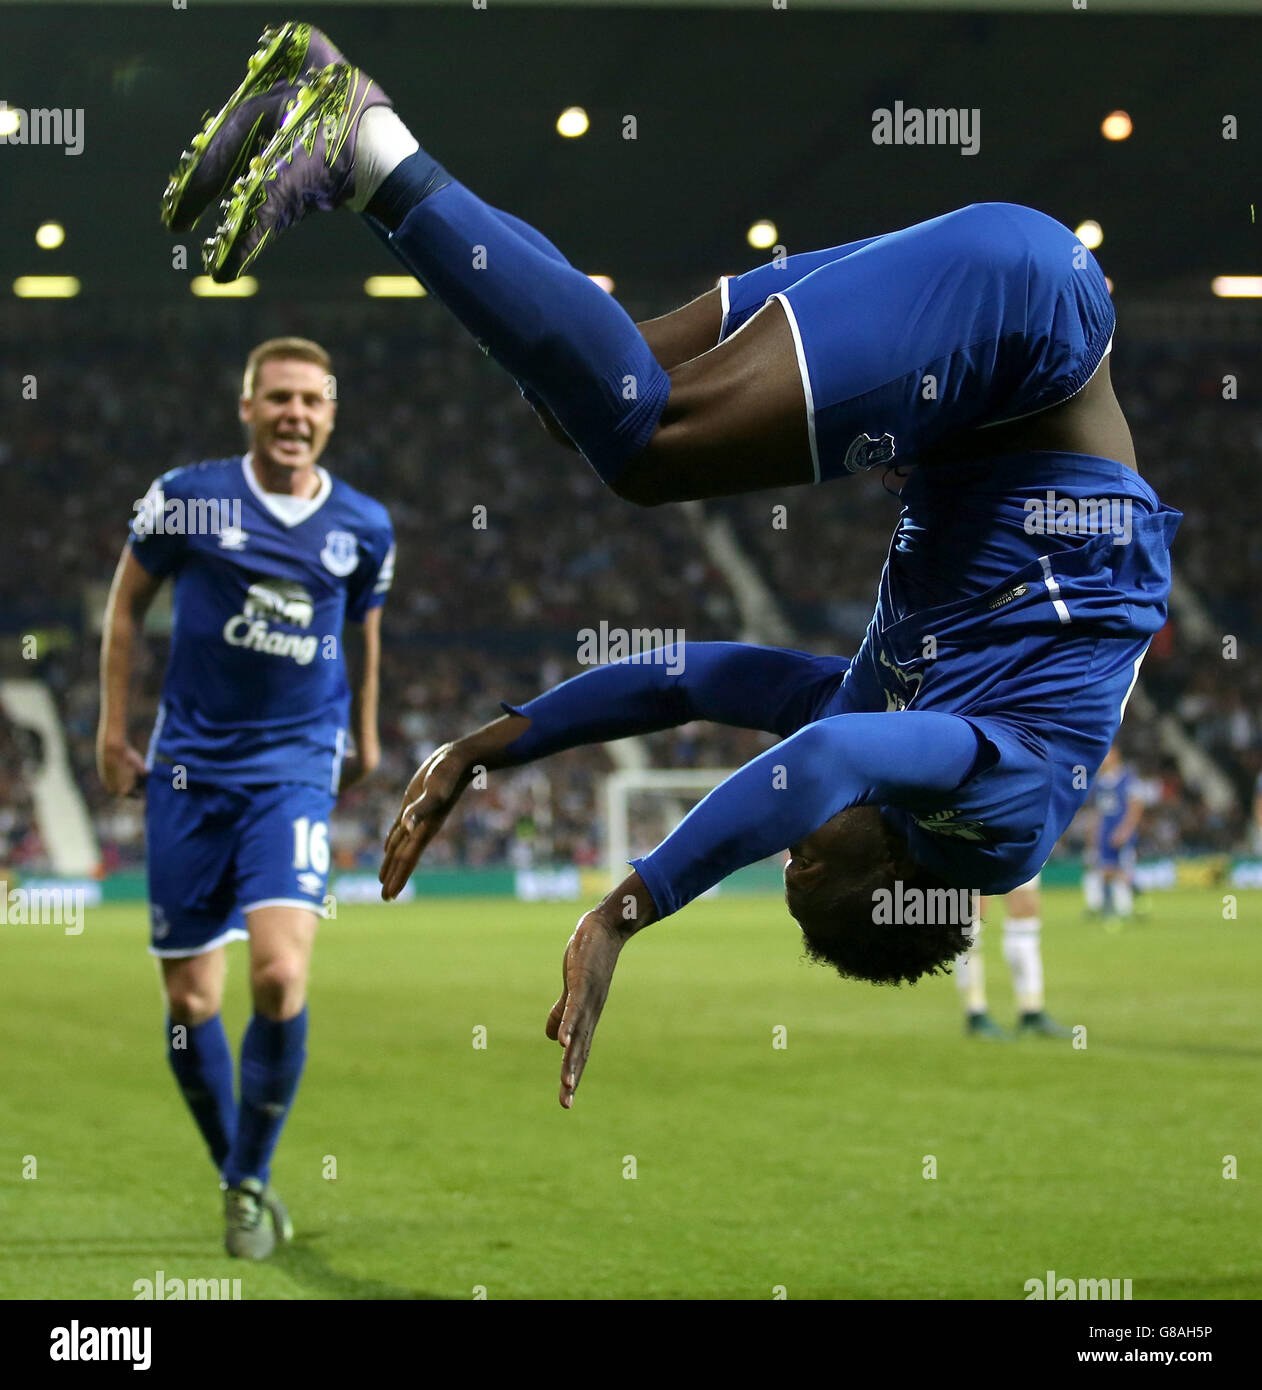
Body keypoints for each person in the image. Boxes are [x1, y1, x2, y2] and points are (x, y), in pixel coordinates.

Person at [161, 24, 1178, 1108]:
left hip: (988, 346)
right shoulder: (996, 819)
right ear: (892, 880)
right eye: (804, 868)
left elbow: (701, 679)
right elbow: (822, 757)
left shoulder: (903, 746)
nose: (786, 853)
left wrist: (494, 742)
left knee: (593, 400)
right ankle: (365, 146)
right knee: (645, 450)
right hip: (1020, 346)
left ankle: (321, 112)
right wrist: (626, 909)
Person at [96, 336, 394, 1254]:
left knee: (278, 973)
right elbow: (123, 610)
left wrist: (368, 733)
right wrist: (111, 732)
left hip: (294, 768)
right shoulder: (186, 498)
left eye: (311, 400)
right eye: (278, 400)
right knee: (190, 1005)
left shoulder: (364, 526)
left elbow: (364, 637)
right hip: (187, 772)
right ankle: (240, 1176)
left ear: (331, 414)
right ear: (248, 408)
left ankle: (251, 1176)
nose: (295, 415)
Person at [952, 877, 1072, 1040]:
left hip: (1020, 850)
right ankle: (975, 1012)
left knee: (1025, 908)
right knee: (972, 913)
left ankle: (1031, 1009)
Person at [1083, 744, 1145, 920]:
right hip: (1105, 833)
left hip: (1122, 833)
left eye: (1107, 754)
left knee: (1122, 869)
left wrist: (1125, 830)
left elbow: (1136, 807)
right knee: (1104, 869)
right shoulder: (1099, 782)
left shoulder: (1128, 778)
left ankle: (1133, 902)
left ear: (1116, 755)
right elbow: (1097, 812)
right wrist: (1094, 832)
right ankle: (1108, 907)